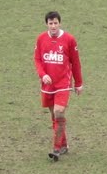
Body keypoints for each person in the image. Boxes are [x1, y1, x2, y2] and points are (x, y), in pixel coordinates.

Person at [34, 10, 84, 162]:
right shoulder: (41, 39)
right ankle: (64, 145)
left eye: (56, 23)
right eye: (51, 23)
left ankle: (56, 149)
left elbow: (75, 63)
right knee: (54, 116)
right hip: (48, 84)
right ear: (46, 24)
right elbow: (37, 60)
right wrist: (43, 75)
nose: (53, 26)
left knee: (59, 112)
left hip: (63, 83)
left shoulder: (69, 39)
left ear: (59, 23)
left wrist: (79, 83)